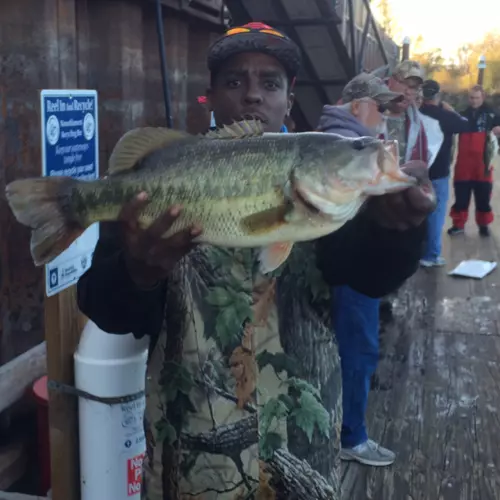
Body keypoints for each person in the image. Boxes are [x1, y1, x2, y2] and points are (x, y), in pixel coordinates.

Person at [77, 23, 436, 499]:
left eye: (270, 83)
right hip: (194, 463)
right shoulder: (168, 178)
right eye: (233, 81)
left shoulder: (341, 203)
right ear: (209, 96)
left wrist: (400, 234)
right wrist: (138, 272)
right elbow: (105, 308)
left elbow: (372, 278)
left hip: (303, 459)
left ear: (289, 100)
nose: (252, 96)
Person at [317, 72, 405, 467]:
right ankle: (351, 435)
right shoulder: (352, 147)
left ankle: (339, 427)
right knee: (358, 349)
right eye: (380, 107)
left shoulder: (340, 141)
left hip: (341, 264)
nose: (385, 116)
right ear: (357, 107)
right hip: (352, 269)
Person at [418, 80, 472, 266]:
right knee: (436, 213)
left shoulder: (415, 113)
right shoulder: (445, 116)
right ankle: (430, 255)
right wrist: (451, 111)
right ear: (438, 95)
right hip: (439, 172)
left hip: (416, 170)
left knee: (415, 211)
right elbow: (466, 125)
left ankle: (417, 251)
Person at [448, 85, 500, 237]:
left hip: (483, 164)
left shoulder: (493, 113)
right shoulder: (462, 114)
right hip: (463, 165)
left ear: (483, 97)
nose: (474, 101)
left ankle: (483, 225)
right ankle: (458, 225)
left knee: (483, 199)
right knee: (461, 199)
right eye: (471, 97)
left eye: (477, 97)